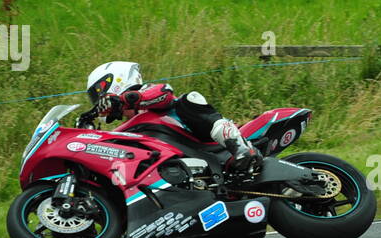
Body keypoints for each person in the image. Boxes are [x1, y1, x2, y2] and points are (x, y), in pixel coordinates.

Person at [85, 61, 260, 177]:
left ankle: (240, 146)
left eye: (98, 92)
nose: (98, 100)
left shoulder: (148, 94)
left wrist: (124, 100)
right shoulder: (126, 127)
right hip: (182, 161)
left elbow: (164, 92)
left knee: (189, 99)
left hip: (206, 141)